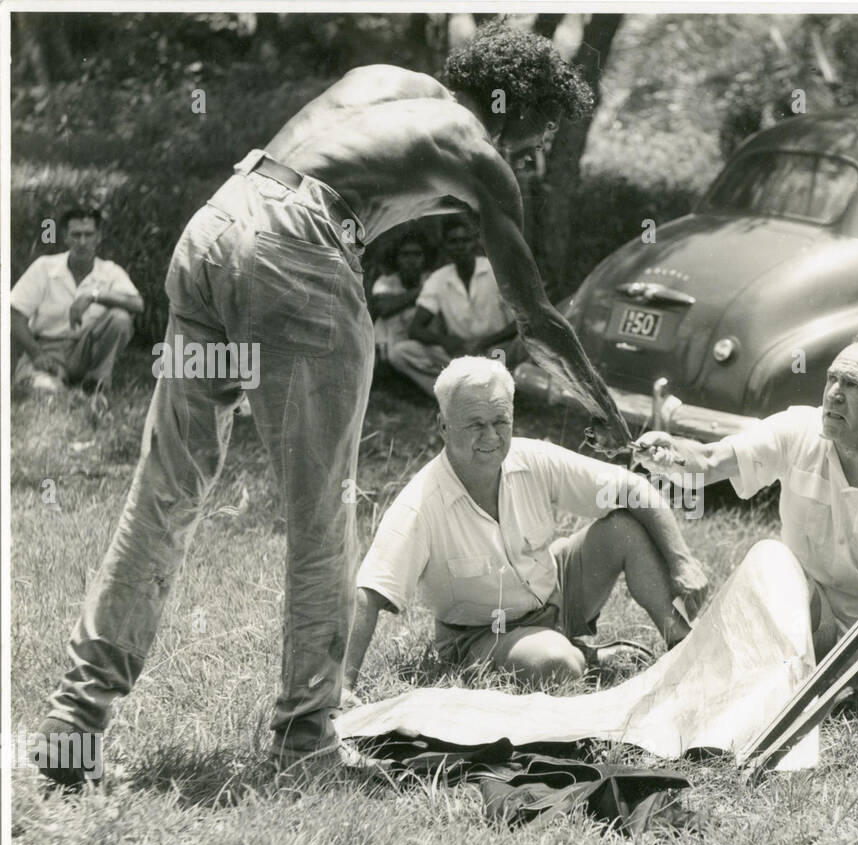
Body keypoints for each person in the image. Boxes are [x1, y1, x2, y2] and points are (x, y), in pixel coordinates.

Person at [34, 23, 631, 787]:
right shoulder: (480, 150)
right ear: (519, 115)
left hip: (218, 227)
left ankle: (73, 724)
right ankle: (305, 741)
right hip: (297, 256)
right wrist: (609, 415)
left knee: (166, 489)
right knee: (322, 513)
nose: (522, 159)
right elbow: (534, 315)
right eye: (533, 141)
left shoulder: (380, 78)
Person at [635, 335, 858, 717]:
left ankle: (834, 683)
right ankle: (811, 679)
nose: (834, 394)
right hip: (805, 615)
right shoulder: (797, 430)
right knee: (772, 559)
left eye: (853, 385)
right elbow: (710, 460)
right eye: (832, 379)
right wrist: (669, 452)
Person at [343, 357, 708, 692]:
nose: (491, 437)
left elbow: (633, 487)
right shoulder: (421, 502)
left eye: (500, 421)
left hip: (556, 592)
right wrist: (343, 688)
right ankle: (584, 655)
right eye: (475, 424)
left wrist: (682, 562)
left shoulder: (532, 458)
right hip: (483, 633)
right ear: (443, 426)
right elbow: (370, 590)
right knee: (558, 663)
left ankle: (683, 646)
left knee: (624, 526)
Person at [11, 207, 143, 394]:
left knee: (120, 318)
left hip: (86, 351)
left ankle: (97, 380)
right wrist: (36, 353)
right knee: (47, 390)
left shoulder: (110, 271)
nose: (82, 242)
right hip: (48, 348)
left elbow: (138, 304)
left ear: (98, 237)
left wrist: (93, 295)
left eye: (88, 235)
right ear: (65, 237)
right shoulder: (44, 267)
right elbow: (14, 314)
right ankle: (53, 381)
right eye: (76, 235)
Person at [390, 217, 515, 400]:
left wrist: (484, 343)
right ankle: (449, 396)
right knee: (400, 352)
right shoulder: (438, 278)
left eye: (465, 240)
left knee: (513, 353)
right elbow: (416, 328)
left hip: (497, 349)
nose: (460, 246)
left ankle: (479, 389)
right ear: (445, 246)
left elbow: (520, 324)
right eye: (453, 242)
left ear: (475, 243)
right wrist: (445, 341)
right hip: (460, 352)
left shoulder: (496, 270)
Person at [369, 233, 430, 364]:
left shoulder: (431, 278)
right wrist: (421, 291)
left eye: (417, 254)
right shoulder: (385, 282)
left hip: (420, 346)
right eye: (405, 254)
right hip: (390, 345)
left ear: (425, 257)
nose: (411, 260)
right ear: (396, 258)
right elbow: (384, 308)